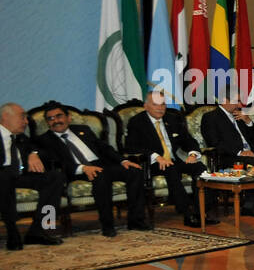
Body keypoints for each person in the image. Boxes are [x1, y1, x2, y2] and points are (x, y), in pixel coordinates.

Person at [37, 102, 148, 237]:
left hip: (102, 165)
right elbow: (56, 162)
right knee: (100, 176)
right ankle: (107, 225)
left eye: (59, 116)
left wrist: (123, 160)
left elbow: (104, 148)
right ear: (47, 123)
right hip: (77, 170)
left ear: (68, 117)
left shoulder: (83, 129)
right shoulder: (44, 140)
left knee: (134, 171)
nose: (55, 121)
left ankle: (136, 221)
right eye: (51, 118)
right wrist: (83, 168)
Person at [124, 87, 211, 228]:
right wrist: (156, 156)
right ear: (146, 106)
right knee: (171, 169)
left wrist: (193, 154)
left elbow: (188, 140)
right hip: (151, 164)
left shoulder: (172, 119)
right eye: (155, 104)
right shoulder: (137, 122)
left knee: (200, 169)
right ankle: (187, 213)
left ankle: (201, 212)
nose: (160, 108)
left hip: (174, 160)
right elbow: (131, 147)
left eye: (163, 104)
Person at [0, 102, 64, 249]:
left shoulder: (21, 137)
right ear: (5, 117)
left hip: (20, 176)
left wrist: (33, 154)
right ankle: (12, 229)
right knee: (4, 176)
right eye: (22, 117)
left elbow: (37, 148)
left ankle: (39, 230)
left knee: (55, 177)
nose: (26, 122)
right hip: (2, 177)